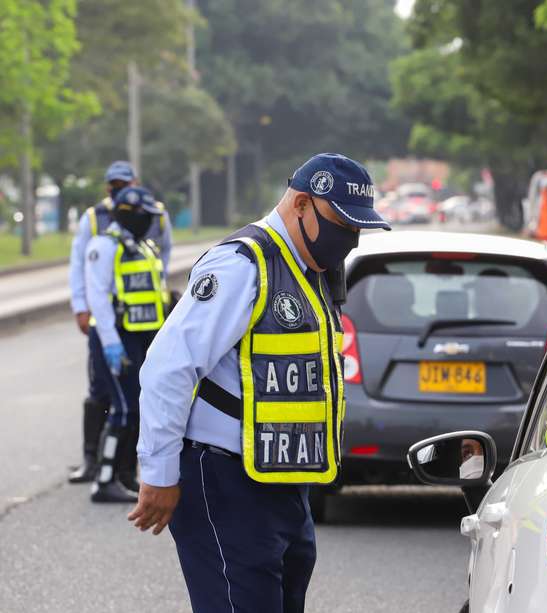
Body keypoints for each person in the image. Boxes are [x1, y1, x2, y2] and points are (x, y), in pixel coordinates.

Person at [129, 153, 390, 613]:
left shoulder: (311, 271)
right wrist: (160, 473)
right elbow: (168, 369)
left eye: (357, 228)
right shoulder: (242, 265)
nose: (349, 238)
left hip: (282, 482)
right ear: (301, 204)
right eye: (341, 223)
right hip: (224, 479)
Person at [68, 161, 173, 484]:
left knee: (134, 404)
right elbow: (84, 272)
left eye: (123, 183)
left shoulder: (150, 225)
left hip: (141, 333)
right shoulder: (96, 225)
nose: (117, 189)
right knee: (110, 398)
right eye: (113, 185)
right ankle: (97, 466)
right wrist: (81, 308)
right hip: (114, 331)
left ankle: (124, 472)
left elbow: (162, 262)